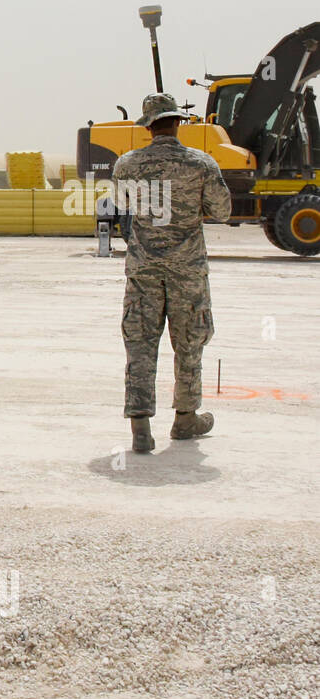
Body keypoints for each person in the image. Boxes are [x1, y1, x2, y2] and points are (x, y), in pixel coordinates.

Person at [113, 92, 232, 452]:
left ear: (148, 126)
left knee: (140, 343)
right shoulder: (202, 164)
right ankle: (184, 419)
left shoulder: (127, 164)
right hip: (187, 270)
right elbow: (223, 211)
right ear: (177, 122)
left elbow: (121, 206)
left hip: (144, 268)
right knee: (190, 342)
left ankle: (140, 425)